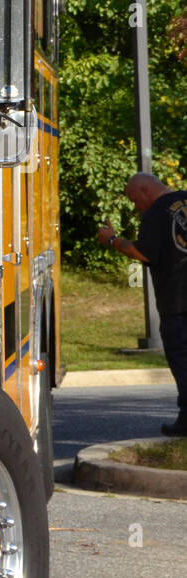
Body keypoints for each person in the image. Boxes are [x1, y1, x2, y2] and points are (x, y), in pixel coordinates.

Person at [99, 173, 187, 435]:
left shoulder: (155, 214)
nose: (135, 205)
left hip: (177, 303)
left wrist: (112, 240)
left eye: (134, 198)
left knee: (182, 361)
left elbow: (143, 252)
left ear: (146, 189)